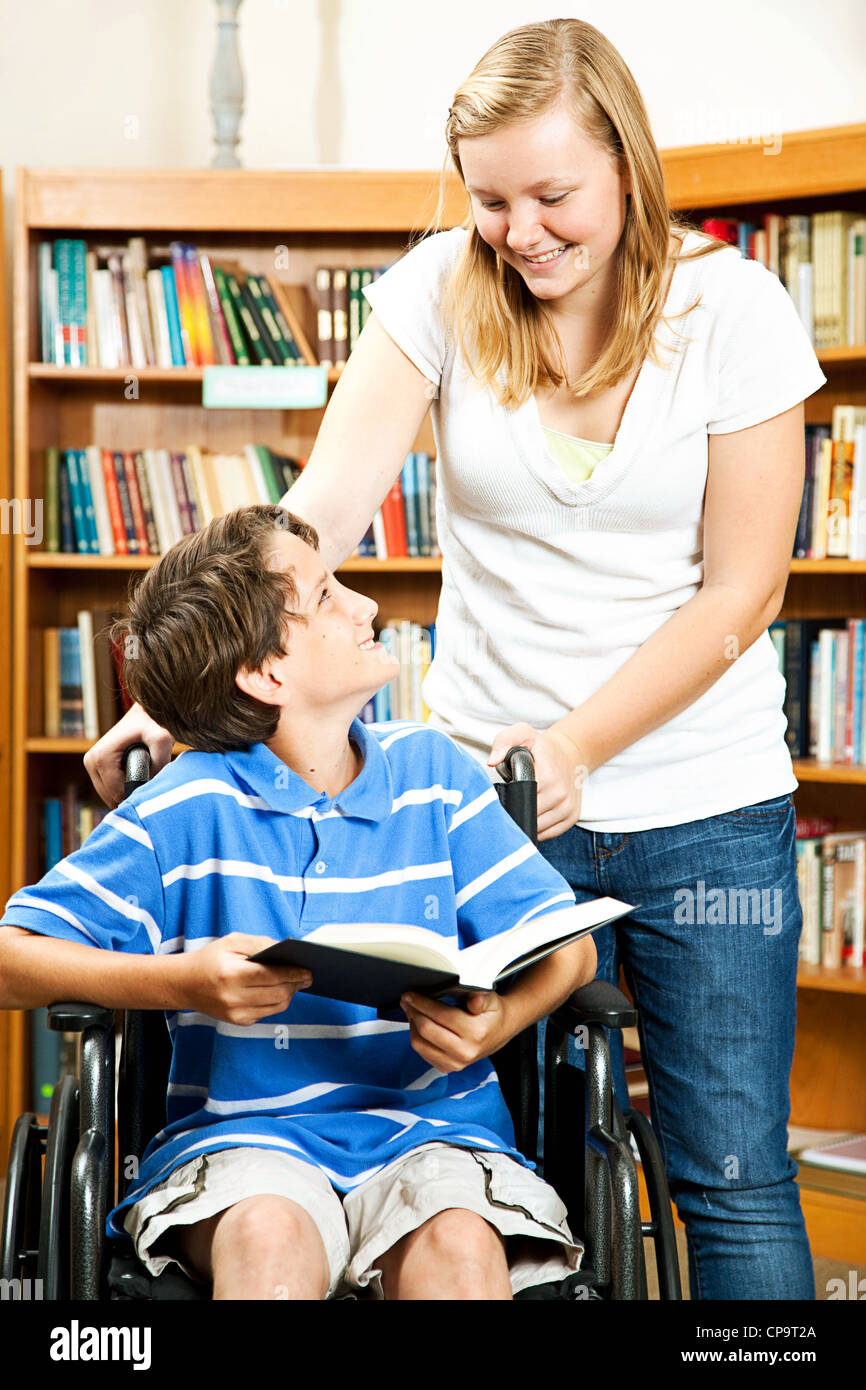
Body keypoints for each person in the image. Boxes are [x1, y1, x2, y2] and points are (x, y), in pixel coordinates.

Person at [82, 20, 826, 1300]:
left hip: (704, 803)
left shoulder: (732, 314)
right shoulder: (436, 289)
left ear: (628, 171)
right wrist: (182, 688)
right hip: (484, 799)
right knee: (503, 1172)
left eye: (552, 196)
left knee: (729, 1171)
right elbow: (319, 509)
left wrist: (581, 744)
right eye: (489, 200)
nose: (519, 230)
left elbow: (743, 590)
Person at [0, 504, 597, 1301]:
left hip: (436, 1139)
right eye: (326, 597)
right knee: (270, 1238)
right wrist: (182, 983)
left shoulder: (433, 774)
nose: (366, 606)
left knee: (460, 1252)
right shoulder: (187, 808)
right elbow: (10, 962)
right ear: (265, 673)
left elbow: (572, 948)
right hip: (245, 1148)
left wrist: (505, 1020)